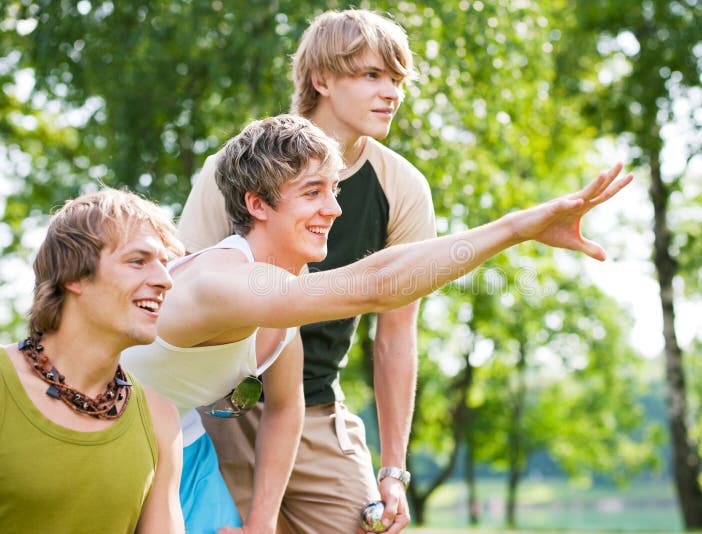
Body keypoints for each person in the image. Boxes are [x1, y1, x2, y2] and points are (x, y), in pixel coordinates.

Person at [129, 112, 632, 534]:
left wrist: (260, 526)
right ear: (257, 205)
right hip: (105, 426)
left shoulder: (281, 292)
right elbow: (376, 283)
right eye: (312, 193)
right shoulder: (226, 281)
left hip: (179, 439)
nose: (334, 208)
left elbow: (285, 407)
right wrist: (518, 227)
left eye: (334, 189)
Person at [179, 9, 436, 533]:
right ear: (321, 79)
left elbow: (396, 338)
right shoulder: (234, 168)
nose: (391, 93)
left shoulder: (403, 188)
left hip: (315, 409)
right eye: (371, 76)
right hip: (214, 410)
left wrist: (393, 469)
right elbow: (175, 295)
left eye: (396, 80)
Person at [0, 189, 185, 533]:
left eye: (163, 262)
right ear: (73, 274)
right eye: (138, 261)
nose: (165, 279)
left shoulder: (159, 420)